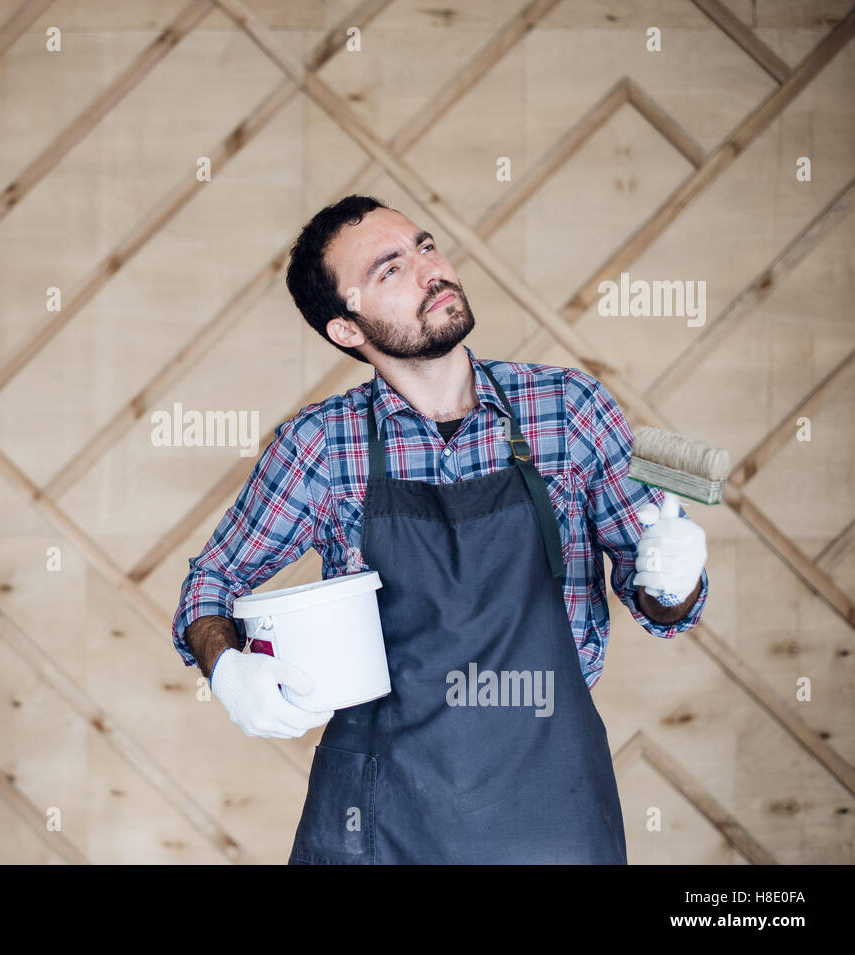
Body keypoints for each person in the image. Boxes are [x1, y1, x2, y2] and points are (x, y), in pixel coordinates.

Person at [170, 195, 709, 864]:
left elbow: (661, 606)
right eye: (392, 269)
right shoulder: (319, 445)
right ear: (347, 328)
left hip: (551, 809)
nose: (432, 271)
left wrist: (676, 576)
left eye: (426, 247)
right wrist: (226, 668)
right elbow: (210, 584)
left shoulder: (569, 408)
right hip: (380, 819)